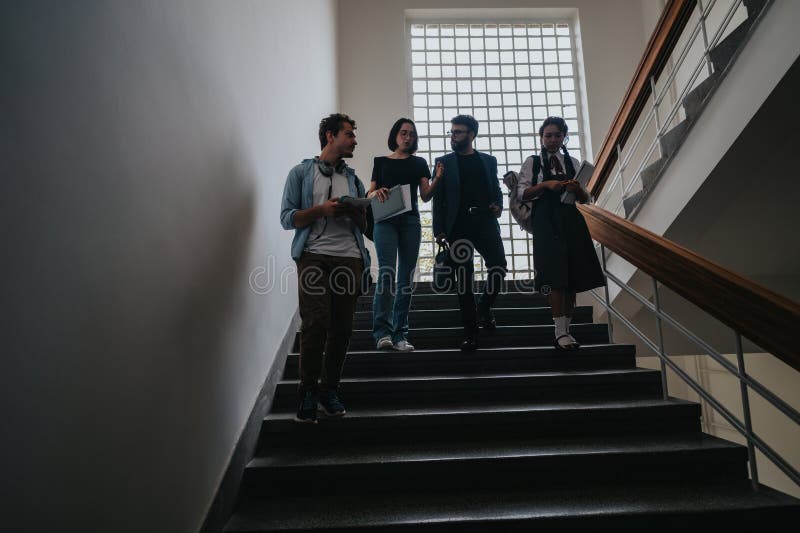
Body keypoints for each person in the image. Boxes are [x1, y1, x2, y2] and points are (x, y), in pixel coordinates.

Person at [279, 113, 371, 423]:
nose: (354, 140)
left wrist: (356, 211)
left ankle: (328, 390)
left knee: (342, 329)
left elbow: (365, 225)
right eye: (349, 134)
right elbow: (286, 218)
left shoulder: (354, 180)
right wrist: (321, 210)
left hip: (350, 257)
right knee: (316, 321)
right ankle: (307, 391)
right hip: (313, 255)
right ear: (330, 136)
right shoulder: (301, 173)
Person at [517, 116, 605, 350]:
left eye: (557, 135)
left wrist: (577, 189)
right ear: (541, 137)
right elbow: (521, 194)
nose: (553, 140)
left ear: (564, 137)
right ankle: (559, 332)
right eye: (548, 135)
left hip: (571, 219)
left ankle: (567, 330)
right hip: (546, 221)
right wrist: (546, 185)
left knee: (571, 276)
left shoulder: (573, 163)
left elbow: (586, 199)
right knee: (555, 274)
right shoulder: (533, 162)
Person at [432, 115, 507, 351]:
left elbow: (495, 190)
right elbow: (438, 199)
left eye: (459, 132)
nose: (453, 136)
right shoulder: (443, 161)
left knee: (499, 266)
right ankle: (470, 333)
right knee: (464, 280)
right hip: (458, 226)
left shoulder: (488, 160)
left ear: (471, 134)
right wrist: (439, 229)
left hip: (485, 222)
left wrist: (498, 206)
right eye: (452, 132)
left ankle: (482, 309)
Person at [368, 118, 442, 352]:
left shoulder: (419, 162)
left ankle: (400, 334)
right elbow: (370, 193)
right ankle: (382, 333)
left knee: (405, 279)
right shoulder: (380, 162)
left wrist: (437, 178)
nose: (407, 137)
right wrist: (376, 191)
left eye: (411, 134)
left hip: (410, 222)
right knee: (387, 275)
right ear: (395, 136)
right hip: (385, 221)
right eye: (403, 133)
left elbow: (426, 195)